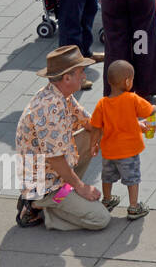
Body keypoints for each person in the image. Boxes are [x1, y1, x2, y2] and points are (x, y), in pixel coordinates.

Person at [14, 46, 109, 232]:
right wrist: (81, 188)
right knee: (100, 218)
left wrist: (131, 126)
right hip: (46, 184)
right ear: (67, 78)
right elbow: (55, 159)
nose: (84, 75)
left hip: (55, 171)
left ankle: (64, 194)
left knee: (94, 134)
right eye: (81, 71)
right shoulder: (48, 109)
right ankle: (41, 206)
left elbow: (90, 124)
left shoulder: (61, 95)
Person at [87, 61, 155, 220]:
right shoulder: (132, 99)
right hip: (129, 151)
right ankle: (133, 207)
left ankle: (107, 199)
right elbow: (149, 110)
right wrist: (155, 110)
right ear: (127, 81)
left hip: (109, 151)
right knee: (132, 179)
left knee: (107, 177)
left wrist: (93, 144)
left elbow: (96, 127)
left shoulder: (102, 103)